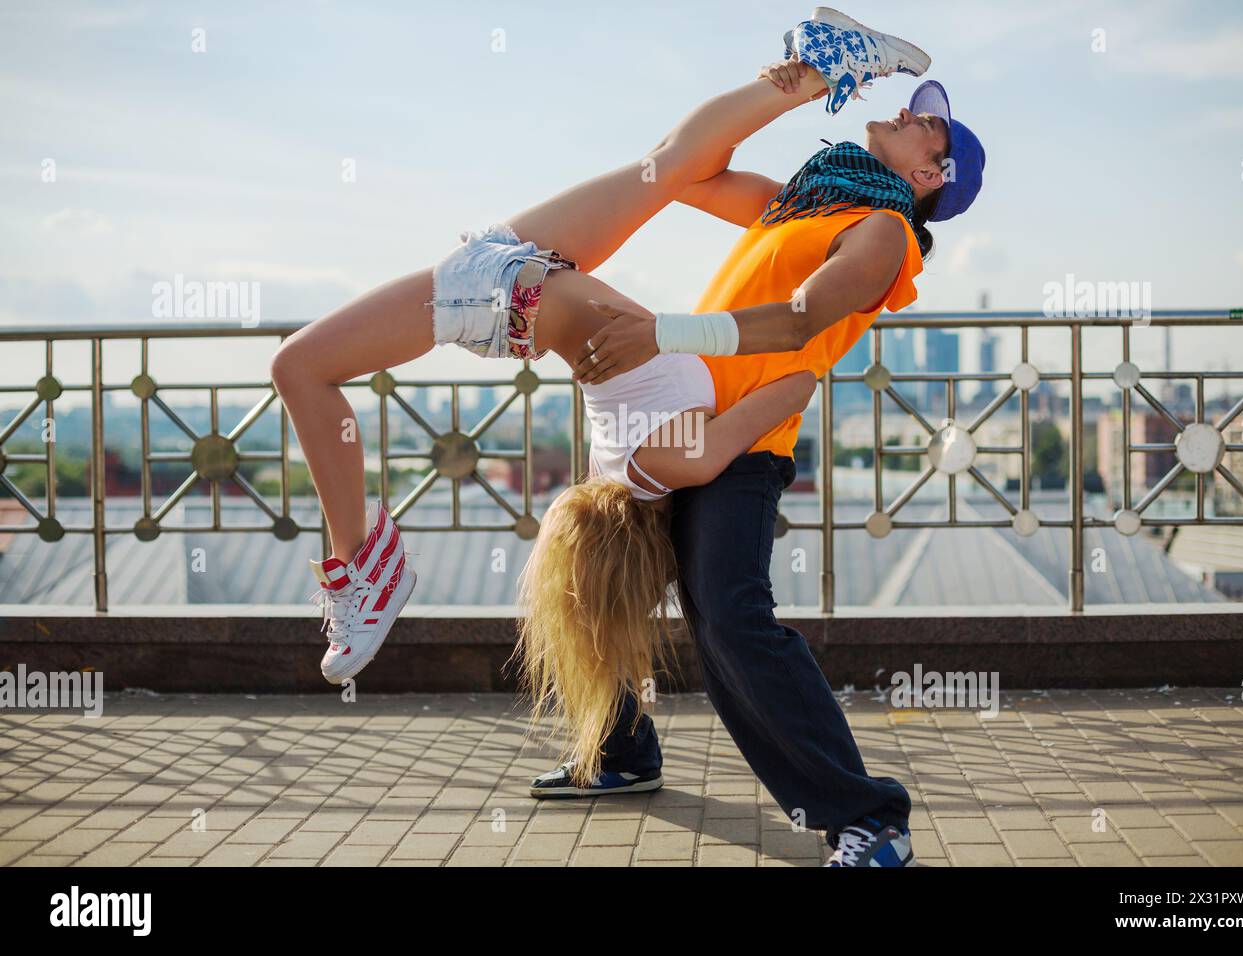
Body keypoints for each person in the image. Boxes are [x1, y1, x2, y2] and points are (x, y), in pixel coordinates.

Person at [270, 11, 927, 692]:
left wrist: (685, 344)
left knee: (298, 366)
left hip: (506, 294)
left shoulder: (646, 456)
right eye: (573, 520)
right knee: (667, 161)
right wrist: (787, 84)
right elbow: (689, 175)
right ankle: (827, 65)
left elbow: (793, 378)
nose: (565, 508)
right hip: (507, 275)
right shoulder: (655, 453)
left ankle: (367, 571)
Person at [527, 9, 988, 868]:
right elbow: (682, 173)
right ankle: (621, 751)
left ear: (931, 171)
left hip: (743, 443)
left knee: (731, 619)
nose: (904, 109)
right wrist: (777, 89)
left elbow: (805, 317)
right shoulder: (801, 202)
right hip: (679, 407)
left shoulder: (885, 234)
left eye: (925, 118)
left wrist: (663, 332)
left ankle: (870, 819)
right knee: (598, 572)